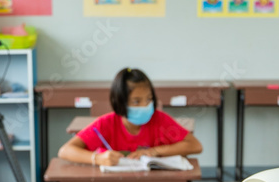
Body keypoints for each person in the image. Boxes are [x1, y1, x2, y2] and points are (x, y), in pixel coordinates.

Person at [58, 67, 202, 166]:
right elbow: (65, 151)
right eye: (136, 101)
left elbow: (195, 145)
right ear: (120, 102)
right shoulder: (106, 124)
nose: (145, 106)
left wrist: (154, 151)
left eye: (149, 99)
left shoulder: (160, 120)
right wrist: (98, 159)